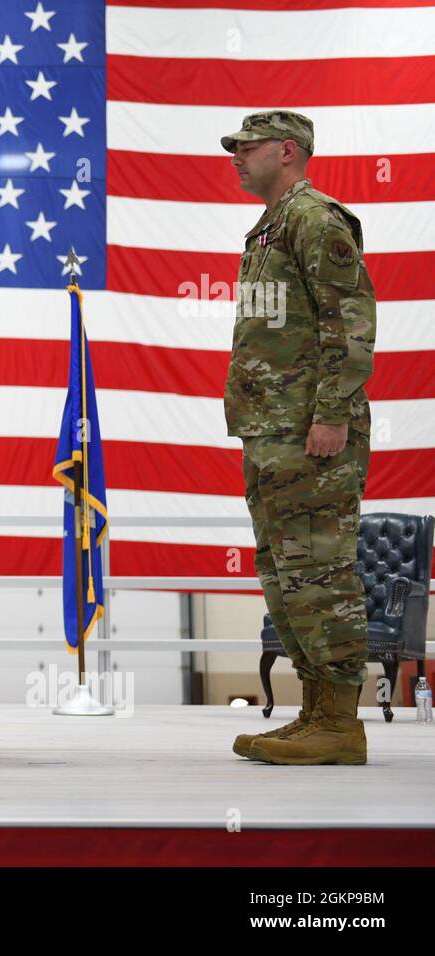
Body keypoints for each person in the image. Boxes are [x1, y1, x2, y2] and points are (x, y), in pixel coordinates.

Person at [221, 112, 376, 765]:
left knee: (321, 567)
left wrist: (333, 412)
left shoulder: (315, 219)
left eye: (246, 147)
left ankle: (342, 722)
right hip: (272, 431)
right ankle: (315, 708)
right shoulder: (270, 228)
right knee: (285, 571)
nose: (235, 157)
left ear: (287, 151)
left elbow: (352, 319)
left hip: (309, 430)